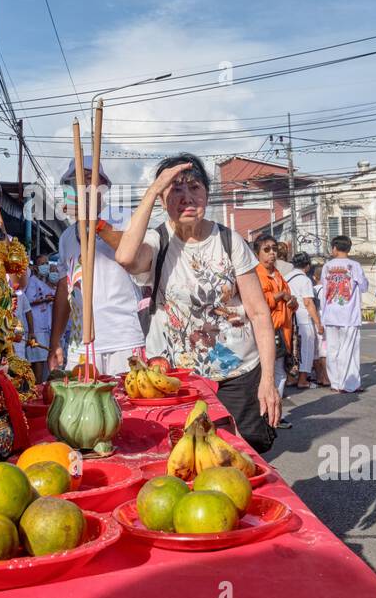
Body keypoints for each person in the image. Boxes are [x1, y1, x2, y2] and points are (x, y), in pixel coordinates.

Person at [116, 154, 280, 453]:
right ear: (163, 199)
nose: (187, 197)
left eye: (194, 187)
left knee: (243, 459)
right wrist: (152, 191)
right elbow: (126, 257)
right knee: (185, 459)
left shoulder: (230, 241)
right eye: (175, 189)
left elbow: (258, 313)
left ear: (206, 192)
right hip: (177, 381)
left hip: (237, 376)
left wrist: (268, 379)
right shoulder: (158, 241)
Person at [49, 157, 145, 376]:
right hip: (80, 344)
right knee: (83, 407)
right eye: (76, 180)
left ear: (103, 184)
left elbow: (131, 254)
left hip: (123, 338)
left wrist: (97, 222)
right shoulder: (66, 238)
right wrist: (55, 341)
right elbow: (65, 289)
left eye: (89, 177)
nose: (82, 184)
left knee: (127, 407)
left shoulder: (124, 218)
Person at [320, 236, 368, 393]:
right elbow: (364, 287)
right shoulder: (354, 265)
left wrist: (323, 315)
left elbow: (324, 291)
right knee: (349, 350)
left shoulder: (327, 267)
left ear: (334, 248)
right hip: (348, 315)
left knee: (332, 349)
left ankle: (336, 383)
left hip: (330, 313)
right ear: (348, 248)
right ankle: (349, 384)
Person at [253, 233, 294, 401]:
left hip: (282, 330)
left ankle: (275, 413)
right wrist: (279, 295)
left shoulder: (278, 275)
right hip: (265, 331)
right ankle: (267, 413)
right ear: (257, 254)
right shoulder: (255, 274)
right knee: (265, 373)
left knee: (279, 373)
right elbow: (256, 302)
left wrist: (292, 301)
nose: (272, 253)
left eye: (274, 249)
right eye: (267, 249)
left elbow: (289, 298)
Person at [288, 252, 323, 389]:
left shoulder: (286, 278)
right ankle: (303, 380)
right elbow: (308, 302)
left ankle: (290, 378)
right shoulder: (305, 280)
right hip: (303, 318)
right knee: (306, 349)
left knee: (292, 350)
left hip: (290, 318)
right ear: (307, 266)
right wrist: (318, 323)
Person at [25, 255, 55, 382]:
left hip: (45, 326)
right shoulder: (32, 281)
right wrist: (45, 299)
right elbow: (29, 301)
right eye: (42, 263)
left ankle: (42, 384)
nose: (45, 266)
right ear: (36, 267)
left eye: (47, 263)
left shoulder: (42, 282)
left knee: (43, 358)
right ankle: (37, 386)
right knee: (38, 359)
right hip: (36, 327)